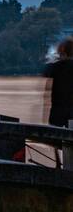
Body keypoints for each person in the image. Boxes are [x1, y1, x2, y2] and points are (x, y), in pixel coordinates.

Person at [42, 37, 73, 168]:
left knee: (55, 137)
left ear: (62, 53)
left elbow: (46, 91)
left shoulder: (55, 67)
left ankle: (58, 164)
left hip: (57, 109)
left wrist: (44, 111)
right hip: (72, 109)